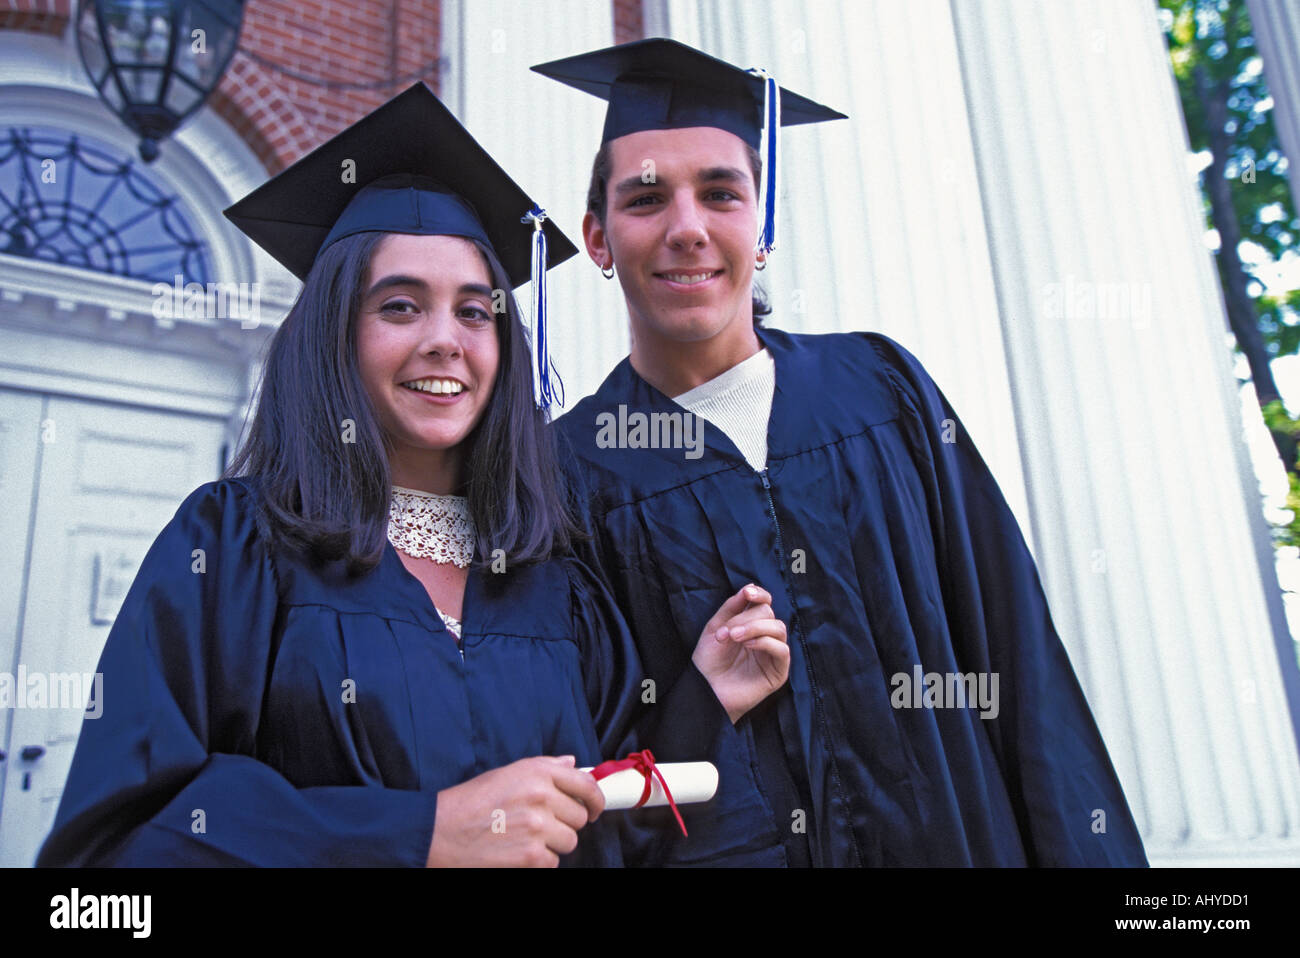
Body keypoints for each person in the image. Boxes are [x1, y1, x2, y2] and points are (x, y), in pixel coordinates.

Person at [34, 82, 789, 868]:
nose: (445, 341)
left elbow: (609, 824)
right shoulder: (233, 549)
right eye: (399, 307)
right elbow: (104, 872)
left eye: (474, 311)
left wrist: (702, 701)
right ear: (335, 334)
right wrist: (414, 837)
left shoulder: (555, 584)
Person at [533, 38, 1149, 866]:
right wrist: (700, 704)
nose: (687, 228)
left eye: (721, 193)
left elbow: (1015, 655)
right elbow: (584, 755)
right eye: (645, 201)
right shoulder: (567, 474)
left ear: (763, 226)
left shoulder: (880, 388)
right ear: (597, 240)